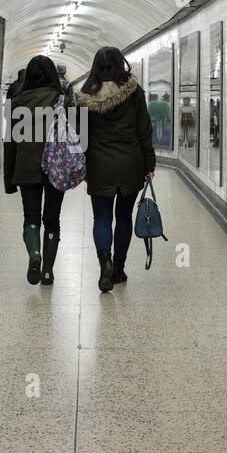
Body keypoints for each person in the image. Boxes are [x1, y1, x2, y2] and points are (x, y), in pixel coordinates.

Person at [76, 47, 156, 292]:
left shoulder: (85, 96)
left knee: (101, 218)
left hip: (100, 164)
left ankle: (105, 265)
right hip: (130, 162)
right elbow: (144, 131)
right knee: (123, 217)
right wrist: (149, 164)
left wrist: (84, 165)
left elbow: (81, 137)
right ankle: (119, 269)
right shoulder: (135, 93)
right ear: (121, 64)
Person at [3, 55, 66, 285]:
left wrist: (9, 179)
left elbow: (9, 143)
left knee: (31, 218)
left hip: (26, 167)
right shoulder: (62, 100)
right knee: (52, 220)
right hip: (56, 168)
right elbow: (78, 136)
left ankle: (35, 255)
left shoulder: (17, 102)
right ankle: (48, 271)